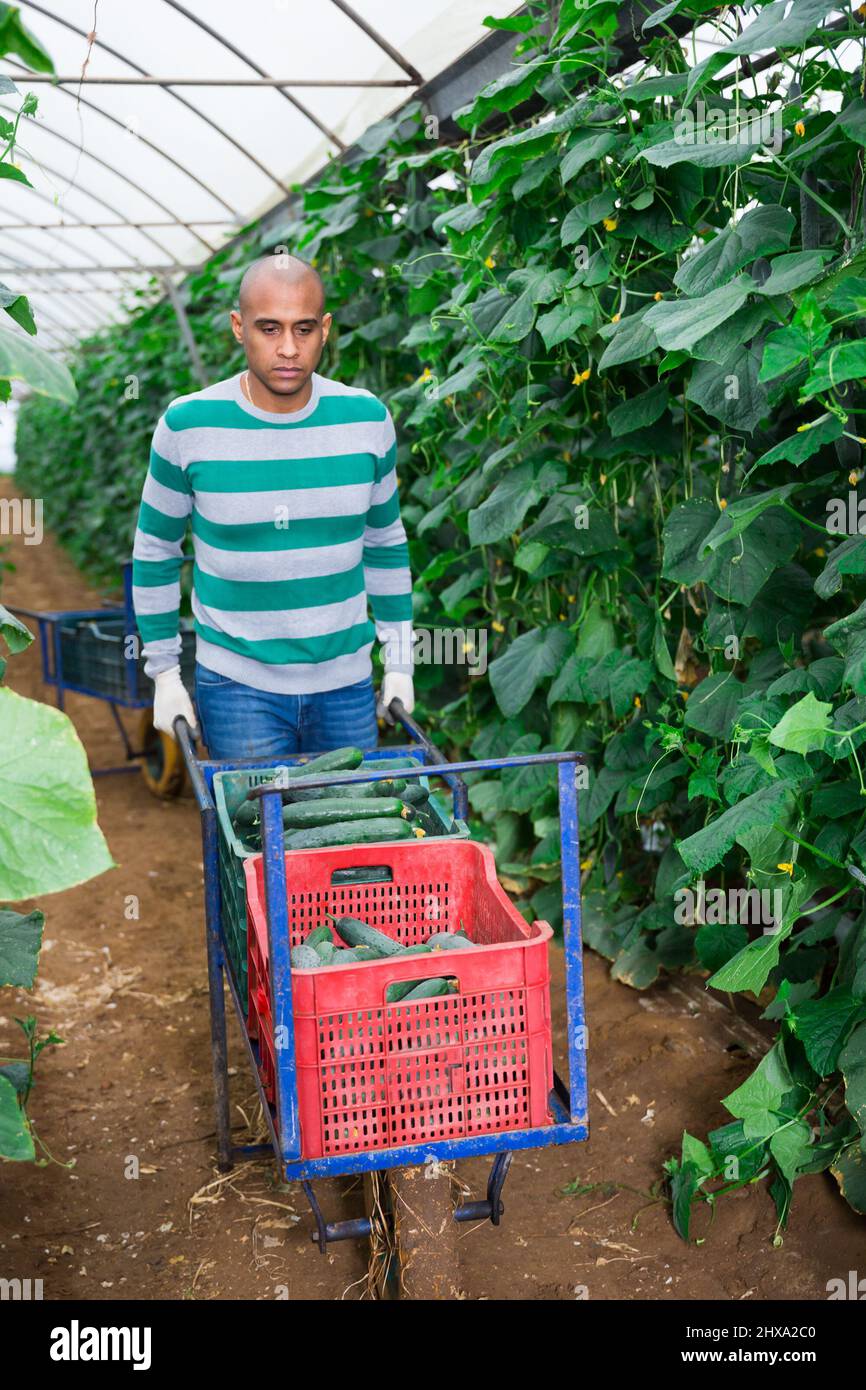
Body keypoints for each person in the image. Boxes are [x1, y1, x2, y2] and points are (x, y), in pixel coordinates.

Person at [131, 252, 414, 760]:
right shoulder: (187, 426)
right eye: (269, 328)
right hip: (238, 688)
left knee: (347, 836)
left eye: (304, 329)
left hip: (347, 687)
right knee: (255, 838)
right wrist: (165, 674)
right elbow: (156, 550)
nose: (288, 349)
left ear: (325, 329)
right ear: (239, 327)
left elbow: (385, 543)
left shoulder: (366, 420)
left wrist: (398, 663)